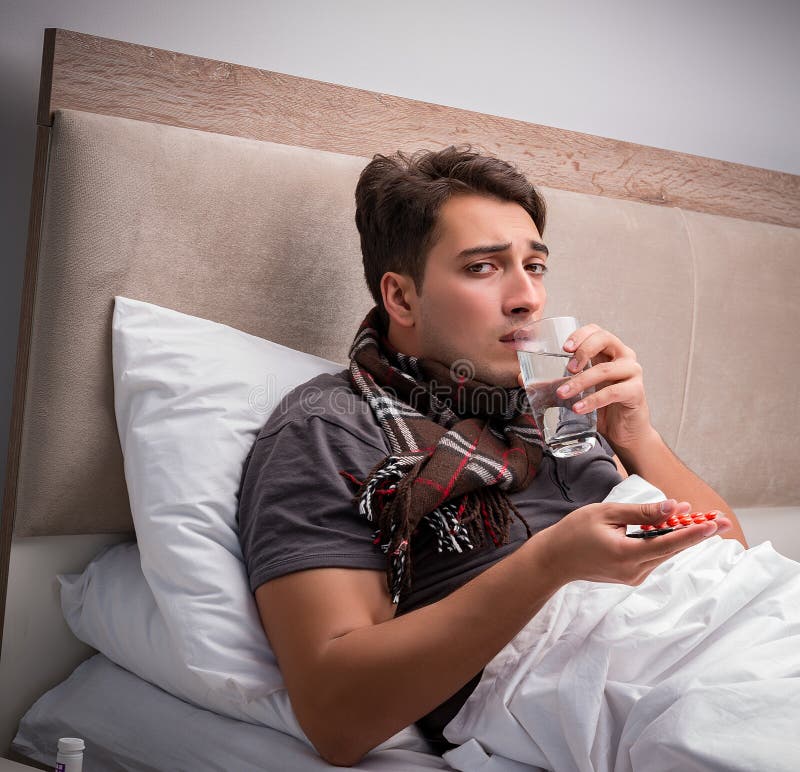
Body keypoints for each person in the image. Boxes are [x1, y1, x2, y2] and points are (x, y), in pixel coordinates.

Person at [236, 147, 747, 767]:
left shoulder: (555, 400)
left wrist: (636, 435)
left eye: (535, 266)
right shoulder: (330, 427)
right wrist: (550, 563)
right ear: (400, 298)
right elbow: (336, 716)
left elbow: (729, 565)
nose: (527, 297)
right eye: (483, 268)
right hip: (645, 689)